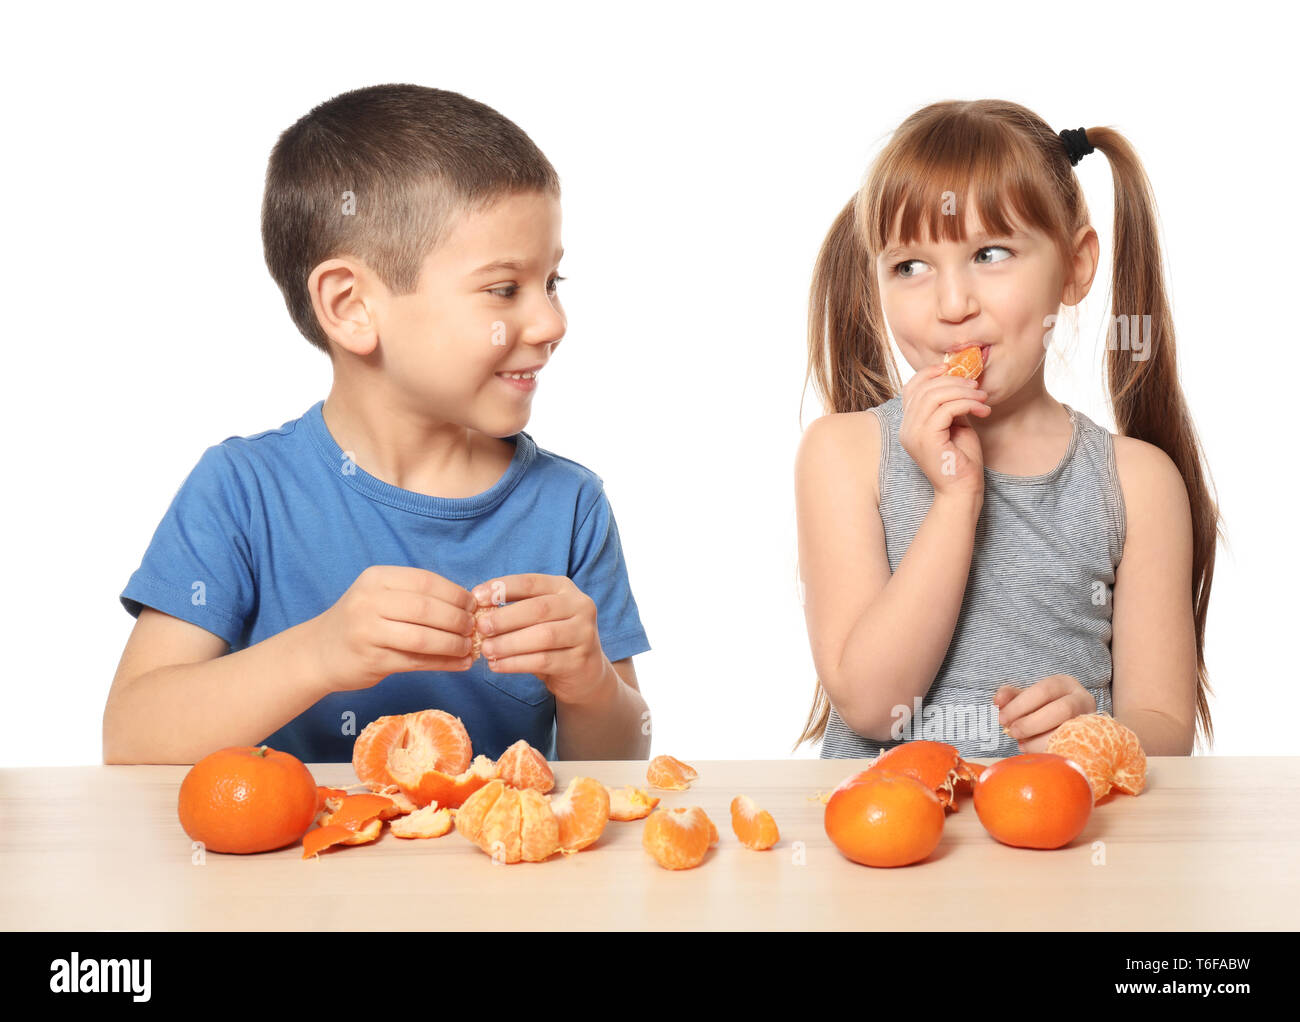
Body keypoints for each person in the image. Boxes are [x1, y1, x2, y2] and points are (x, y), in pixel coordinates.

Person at [105, 84, 651, 765]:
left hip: (501, 869)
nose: (551, 323)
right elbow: (131, 739)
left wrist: (591, 683)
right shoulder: (242, 492)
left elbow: (626, 758)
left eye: (553, 283)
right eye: (505, 289)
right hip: (284, 869)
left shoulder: (570, 506)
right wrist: (318, 653)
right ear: (352, 307)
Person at [794, 100, 1221, 760]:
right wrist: (956, 499)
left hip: (1065, 847)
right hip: (891, 851)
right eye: (910, 266)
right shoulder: (843, 454)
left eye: (990, 254)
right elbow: (874, 705)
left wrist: (1102, 733)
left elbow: (1165, 730)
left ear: (1075, 268)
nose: (952, 305)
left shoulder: (1137, 483)